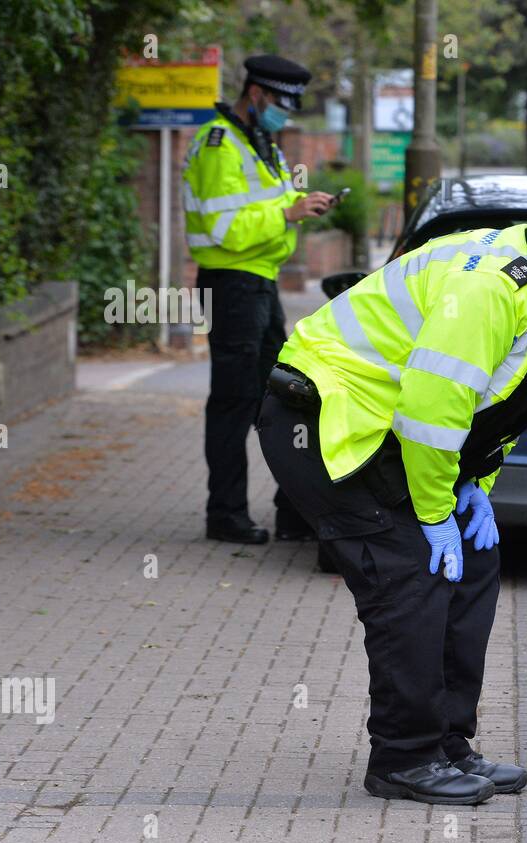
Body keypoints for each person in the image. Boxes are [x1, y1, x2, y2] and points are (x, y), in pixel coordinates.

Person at [257, 176, 527, 805]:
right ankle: (403, 759)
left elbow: (493, 411)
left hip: (386, 425)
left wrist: (475, 486)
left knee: (474, 563)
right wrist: (435, 509)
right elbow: (432, 409)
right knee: (409, 576)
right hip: (326, 420)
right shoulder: (489, 289)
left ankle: (446, 745)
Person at [183, 54, 335, 544]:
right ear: (256, 94)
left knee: (281, 397)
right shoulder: (219, 145)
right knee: (234, 400)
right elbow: (222, 227)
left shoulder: (258, 142)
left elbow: (262, 207)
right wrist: (289, 214)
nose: (284, 115)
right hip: (231, 284)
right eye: (280, 104)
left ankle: (290, 509)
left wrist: (299, 208)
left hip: (257, 282)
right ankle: (224, 514)